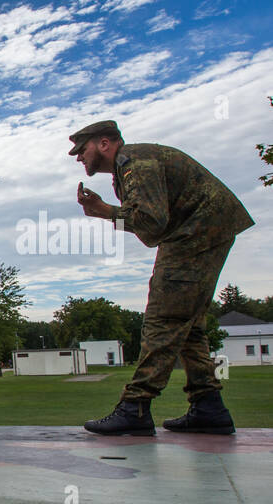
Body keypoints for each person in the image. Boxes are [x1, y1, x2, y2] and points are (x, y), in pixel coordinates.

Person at [71, 120, 254, 436]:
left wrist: (106, 212)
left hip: (196, 231)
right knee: (188, 325)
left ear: (103, 143)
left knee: (164, 318)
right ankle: (209, 407)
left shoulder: (134, 163)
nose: (78, 157)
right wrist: (108, 212)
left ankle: (135, 407)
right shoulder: (127, 168)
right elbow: (151, 228)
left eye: (82, 148)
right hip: (199, 229)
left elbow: (153, 224)